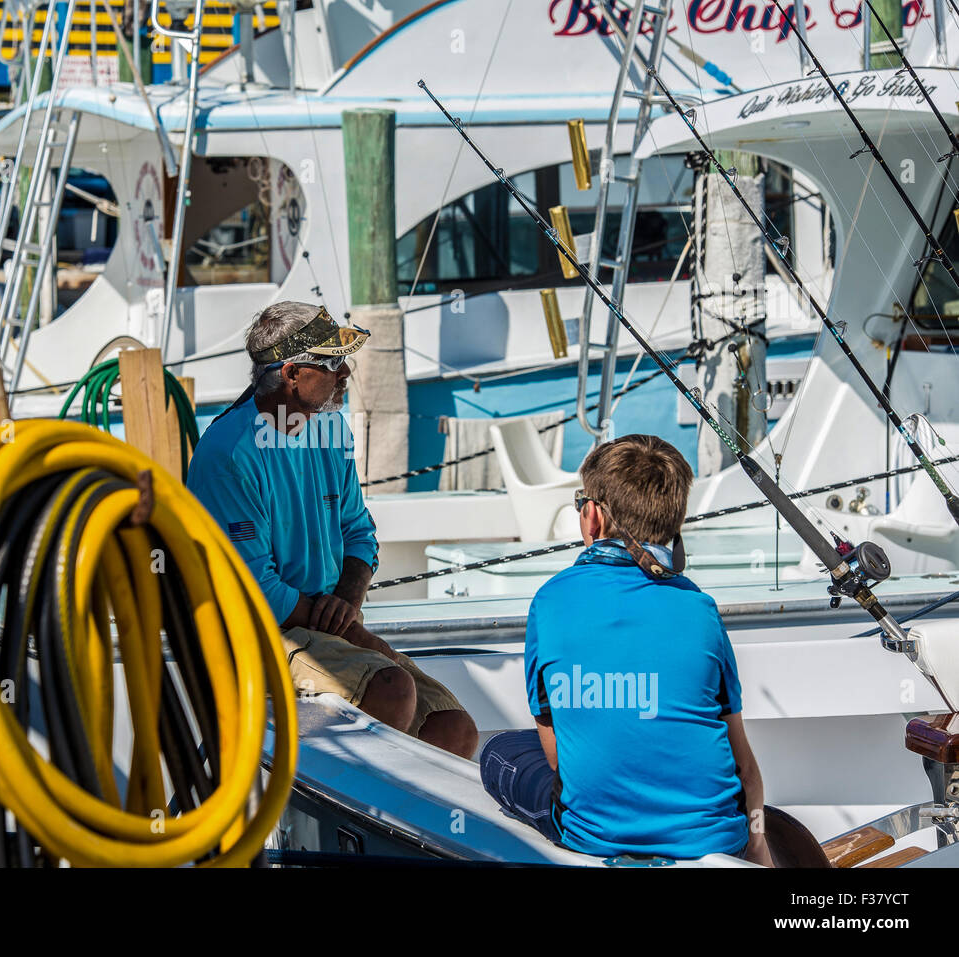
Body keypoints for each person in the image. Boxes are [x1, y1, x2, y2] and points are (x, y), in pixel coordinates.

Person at [186, 301, 479, 758]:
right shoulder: (228, 454)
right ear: (291, 374)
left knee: (453, 728)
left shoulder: (330, 430)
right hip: (255, 634)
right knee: (391, 690)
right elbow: (252, 589)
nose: (345, 374)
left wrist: (344, 609)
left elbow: (359, 533)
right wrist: (349, 628)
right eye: (332, 363)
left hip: (319, 622)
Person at [479, 434, 773, 865]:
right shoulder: (700, 609)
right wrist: (759, 844)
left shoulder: (551, 601)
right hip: (716, 841)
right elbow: (743, 763)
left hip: (594, 839)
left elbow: (557, 756)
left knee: (499, 750)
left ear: (592, 517)